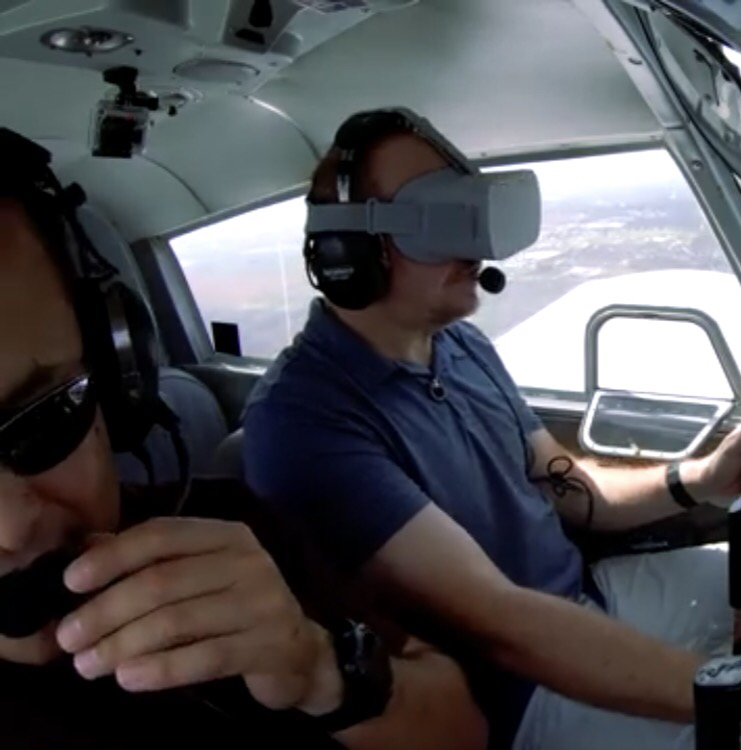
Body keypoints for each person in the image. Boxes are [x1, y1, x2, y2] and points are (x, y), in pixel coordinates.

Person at [243, 107, 741, 749]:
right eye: (436, 218)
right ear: (348, 254)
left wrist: (697, 480)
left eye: (470, 212)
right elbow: (500, 623)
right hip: (517, 691)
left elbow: (570, 491)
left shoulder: (461, 347)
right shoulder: (305, 423)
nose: (474, 243)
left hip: (582, 600)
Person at [0, 126, 487, 749]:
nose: (12, 529)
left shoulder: (227, 531)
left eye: (46, 417)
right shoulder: (306, 415)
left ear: (119, 378)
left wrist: (319, 668)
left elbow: (461, 730)